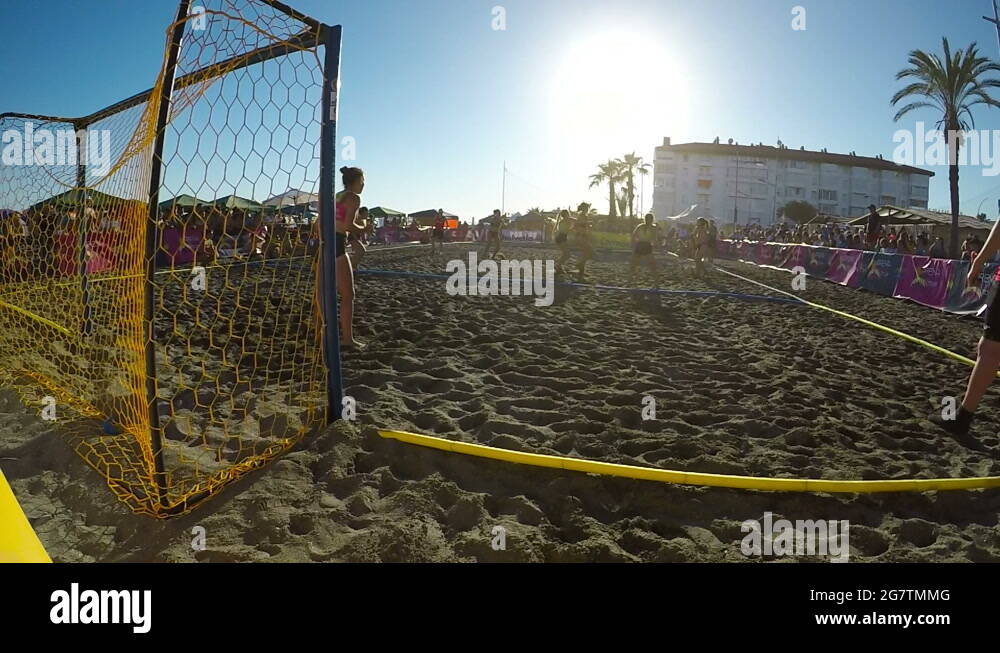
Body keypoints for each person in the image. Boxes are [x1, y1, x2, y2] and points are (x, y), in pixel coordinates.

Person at [313, 166, 367, 350]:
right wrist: (364, 229)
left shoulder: (337, 196)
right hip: (337, 243)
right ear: (356, 181)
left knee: (322, 291)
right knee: (348, 294)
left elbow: (323, 221)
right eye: (362, 181)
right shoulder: (353, 197)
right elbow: (347, 225)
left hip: (324, 241)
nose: (364, 184)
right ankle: (347, 339)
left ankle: (319, 330)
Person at [628, 213, 661, 284]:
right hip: (646, 245)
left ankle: (629, 280)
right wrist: (657, 246)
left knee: (634, 264)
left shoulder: (640, 226)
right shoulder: (653, 227)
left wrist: (633, 244)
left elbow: (633, 236)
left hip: (640, 245)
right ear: (652, 220)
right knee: (652, 265)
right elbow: (655, 239)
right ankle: (656, 282)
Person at [572, 203, 594, 282]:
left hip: (581, 236)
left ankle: (581, 272)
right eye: (587, 207)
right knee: (590, 252)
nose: (588, 209)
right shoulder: (583, 215)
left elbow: (576, 225)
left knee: (586, 253)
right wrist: (587, 224)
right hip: (581, 236)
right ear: (585, 208)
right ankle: (579, 265)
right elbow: (579, 224)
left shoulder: (582, 215)